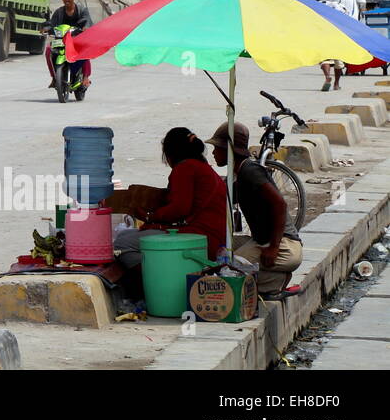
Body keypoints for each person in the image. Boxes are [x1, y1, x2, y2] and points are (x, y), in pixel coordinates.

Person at [113, 127, 229, 272]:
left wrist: (150, 216)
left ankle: (156, 279)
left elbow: (180, 208)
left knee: (122, 243)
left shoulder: (185, 168)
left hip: (201, 238)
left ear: (171, 153)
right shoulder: (203, 168)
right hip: (215, 239)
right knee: (126, 234)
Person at [207, 122, 303, 295]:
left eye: (217, 148)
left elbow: (280, 204)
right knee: (223, 253)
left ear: (229, 150)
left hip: (284, 246)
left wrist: (273, 248)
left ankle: (274, 282)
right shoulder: (239, 175)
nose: (213, 153)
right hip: (263, 242)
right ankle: (273, 279)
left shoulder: (250, 171)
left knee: (228, 269)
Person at [44, 0, 92, 89]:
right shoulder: (59, 13)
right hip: (61, 41)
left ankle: (85, 77)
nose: (66, 0)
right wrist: (46, 28)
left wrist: (86, 28)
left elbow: (87, 21)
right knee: (48, 51)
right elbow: (51, 24)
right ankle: (54, 78)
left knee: (84, 52)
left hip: (77, 41)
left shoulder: (82, 11)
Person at [321, 0, 363, 90]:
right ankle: (336, 84)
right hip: (338, 37)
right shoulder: (341, 7)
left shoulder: (320, 4)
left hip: (324, 35)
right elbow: (346, 21)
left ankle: (327, 77)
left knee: (325, 59)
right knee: (338, 62)